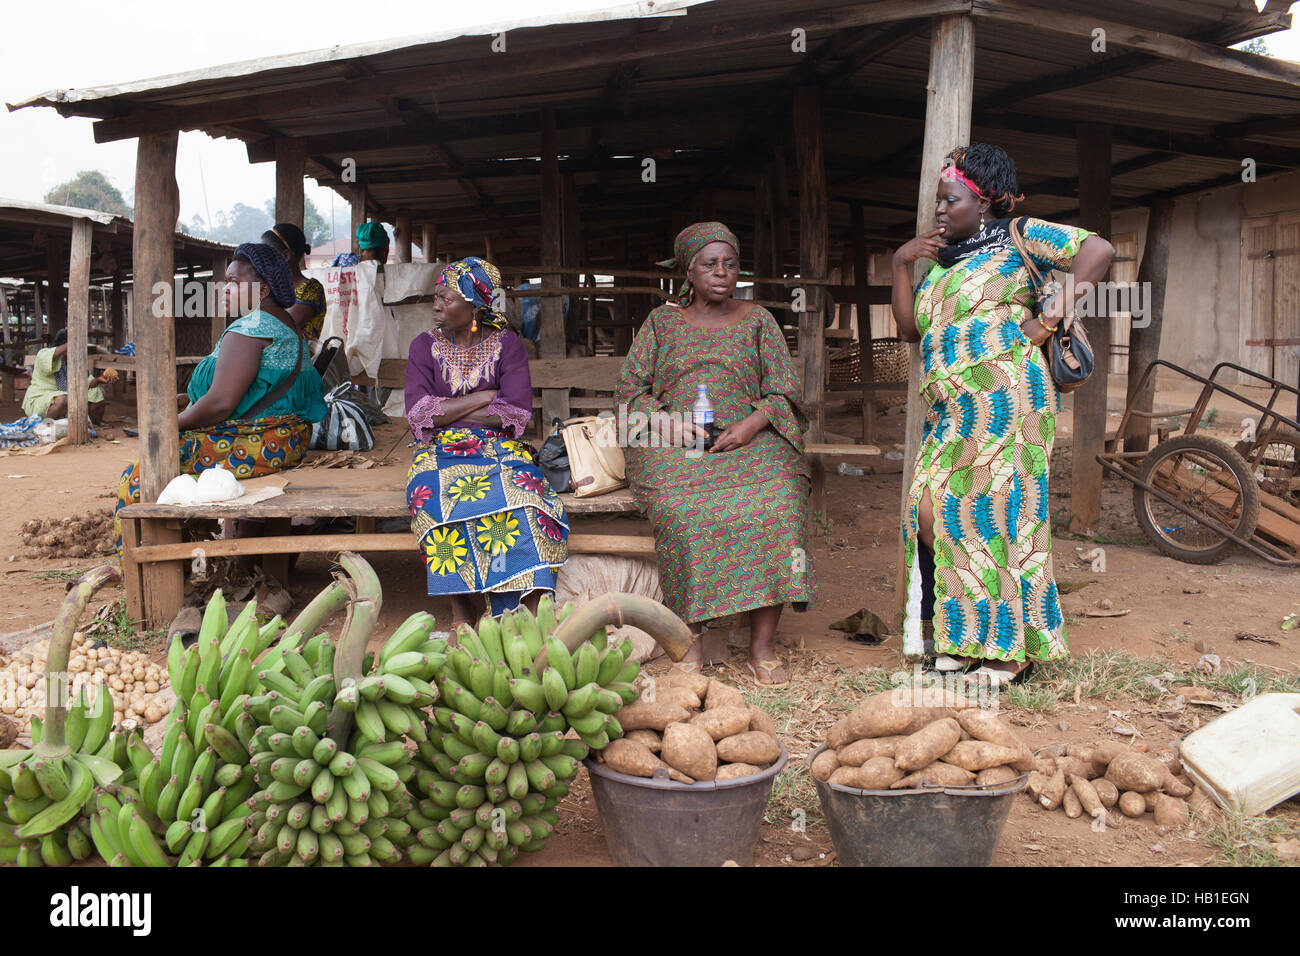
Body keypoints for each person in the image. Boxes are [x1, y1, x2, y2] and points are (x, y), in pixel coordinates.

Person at [891, 143, 1115, 687]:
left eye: (950, 200)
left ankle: (1011, 653)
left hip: (1007, 399)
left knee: (1001, 521)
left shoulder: (1019, 236)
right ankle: (967, 637)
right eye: (938, 202)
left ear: (983, 201)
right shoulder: (943, 264)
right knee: (932, 512)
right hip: (950, 408)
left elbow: (1098, 249)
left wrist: (1052, 315)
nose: (940, 211)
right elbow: (907, 329)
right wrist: (901, 263)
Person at [617, 222, 814, 686]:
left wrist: (749, 426)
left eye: (730, 264)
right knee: (686, 512)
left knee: (780, 505)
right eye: (710, 264)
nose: (722, 273)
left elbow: (784, 392)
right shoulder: (660, 323)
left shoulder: (759, 319)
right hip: (672, 442)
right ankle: (689, 643)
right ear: (689, 271)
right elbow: (630, 394)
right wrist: (670, 423)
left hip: (748, 441)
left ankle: (761, 647)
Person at [114, 242, 327, 549]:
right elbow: (255, 389)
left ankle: (149, 566)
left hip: (259, 445)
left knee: (139, 473)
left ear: (262, 291)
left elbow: (221, 404)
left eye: (235, 283)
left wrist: (164, 428)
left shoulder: (249, 329)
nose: (225, 290)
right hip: (287, 441)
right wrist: (188, 399)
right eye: (226, 282)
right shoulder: (286, 325)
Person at [404, 257, 568, 624]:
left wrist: (447, 408)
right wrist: (483, 397)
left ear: (474, 304)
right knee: (436, 502)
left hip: (499, 447)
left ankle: (520, 608)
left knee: (527, 500)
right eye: (436, 296)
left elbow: (513, 414)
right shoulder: (422, 347)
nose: (437, 305)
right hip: (438, 451)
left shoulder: (508, 345)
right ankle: (461, 608)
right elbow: (419, 413)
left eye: (446, 298)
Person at [22, 328, 111, 424]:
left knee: (97, 392)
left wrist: (98, 380)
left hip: (68, 398)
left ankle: (87, 424)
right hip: (41, 398)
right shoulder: (44, 354)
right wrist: (73, 341)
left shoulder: (75, 362)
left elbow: (88, 383)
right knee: (63, 399)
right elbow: (49, 356)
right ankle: (43, 426)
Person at [262, 223, 326, 342]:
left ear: (285, 255)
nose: (261, 260)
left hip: (297, 359)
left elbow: (279, 330)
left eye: (267, 255)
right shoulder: (269, 288)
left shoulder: (311, 289)